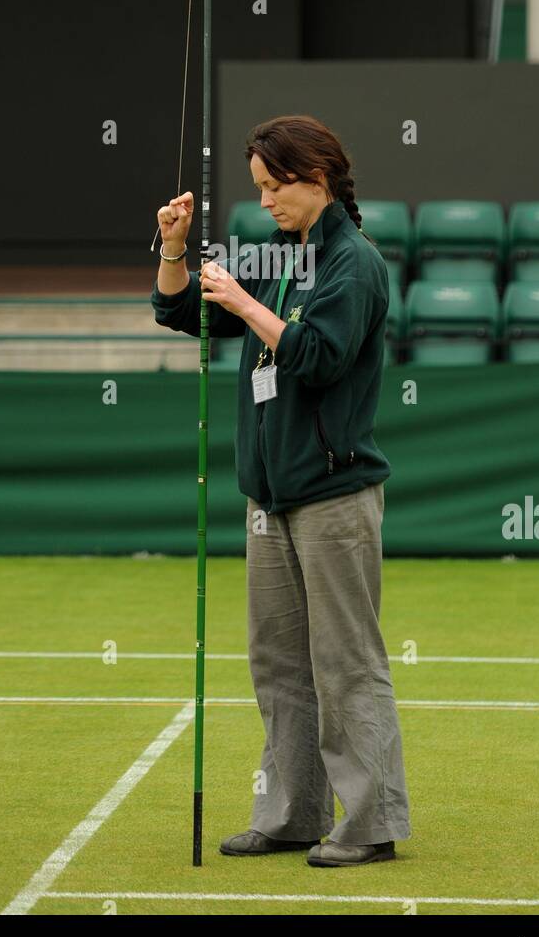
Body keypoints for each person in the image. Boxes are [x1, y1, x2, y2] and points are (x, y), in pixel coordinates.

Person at [151, 114, 411, 866]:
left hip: (333, 494)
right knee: (277, 663)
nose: (264, 201)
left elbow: (317, 357)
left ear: (315, 178)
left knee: (346, 664)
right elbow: (178, 312)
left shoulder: (353, 263)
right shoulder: (273, 258)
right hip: (267, 499)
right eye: (259, 189)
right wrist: (173, 247)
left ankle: (368, 825)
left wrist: (241, 302)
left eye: (275, 187)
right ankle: (293, 812)